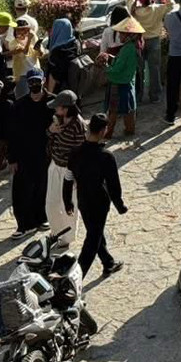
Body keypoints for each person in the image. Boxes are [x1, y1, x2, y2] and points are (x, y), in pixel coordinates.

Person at [69, 114, 126, 279]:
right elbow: (114, 185)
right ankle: (75, 279)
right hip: (99, 203)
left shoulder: (75, 152)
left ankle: (108, 262)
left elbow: (68, 177)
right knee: (92, 240)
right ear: (103, 131)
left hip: (82, 200)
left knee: (95, 232)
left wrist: (67, 200)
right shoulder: (106, 156)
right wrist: (120, 205)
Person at [4, 71, 54, 235]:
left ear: (43, 81)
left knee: (43, 187)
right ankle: (24, 225)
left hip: (45, 153)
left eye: (37, 81)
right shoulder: (19, 106)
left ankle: (42, 218)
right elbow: (12, 134)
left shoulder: (52, 102)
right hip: (24, 154)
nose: (34, 85)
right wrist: (12, 158)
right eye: (31, 82)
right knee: (21, 190)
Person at [44, 90, 84, 246]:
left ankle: (67, 238)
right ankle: (56, 232)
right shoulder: (57, 120)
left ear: (66, 108)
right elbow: (50, 138)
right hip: (55, 165)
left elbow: (81, 152)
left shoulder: (78, 125)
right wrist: (51, 131)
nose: (55, 109)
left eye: (58, 107)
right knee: (51, 203)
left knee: (68, 206)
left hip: (70, 171)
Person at [43, 19, 80, 93]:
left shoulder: (57, 51)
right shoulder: (75, 43)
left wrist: (50, 94)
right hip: (75, 87)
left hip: (60, 91)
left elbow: (54, 75)